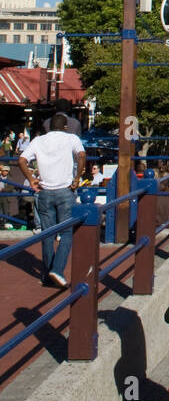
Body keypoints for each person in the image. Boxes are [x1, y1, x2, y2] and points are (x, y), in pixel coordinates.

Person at [18, 112, 86, 288]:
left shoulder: (39, 141)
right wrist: (77, 178)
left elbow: (22, 159)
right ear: (65, 126)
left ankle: (47, 274)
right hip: (65, 189)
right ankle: (57, 269)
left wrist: (32, 179)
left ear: (49, 127)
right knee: (66, 233)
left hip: (45, 191)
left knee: (47, 234)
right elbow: (82, 156)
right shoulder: (71, 138)